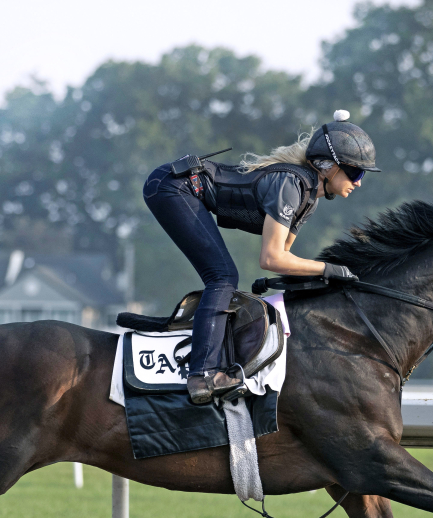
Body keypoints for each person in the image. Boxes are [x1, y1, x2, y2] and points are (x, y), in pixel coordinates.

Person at [142, 110, 381, 404]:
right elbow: (271, 257)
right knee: (223, 276)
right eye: (355, 172)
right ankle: (202, 374)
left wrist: (324, 277)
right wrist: (328, 268)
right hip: (172, 185)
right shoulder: (291, 186)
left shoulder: (307, 199)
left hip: (178, 186)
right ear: (328, 166)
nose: (358, 182)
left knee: (224, 275)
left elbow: (284, 257)